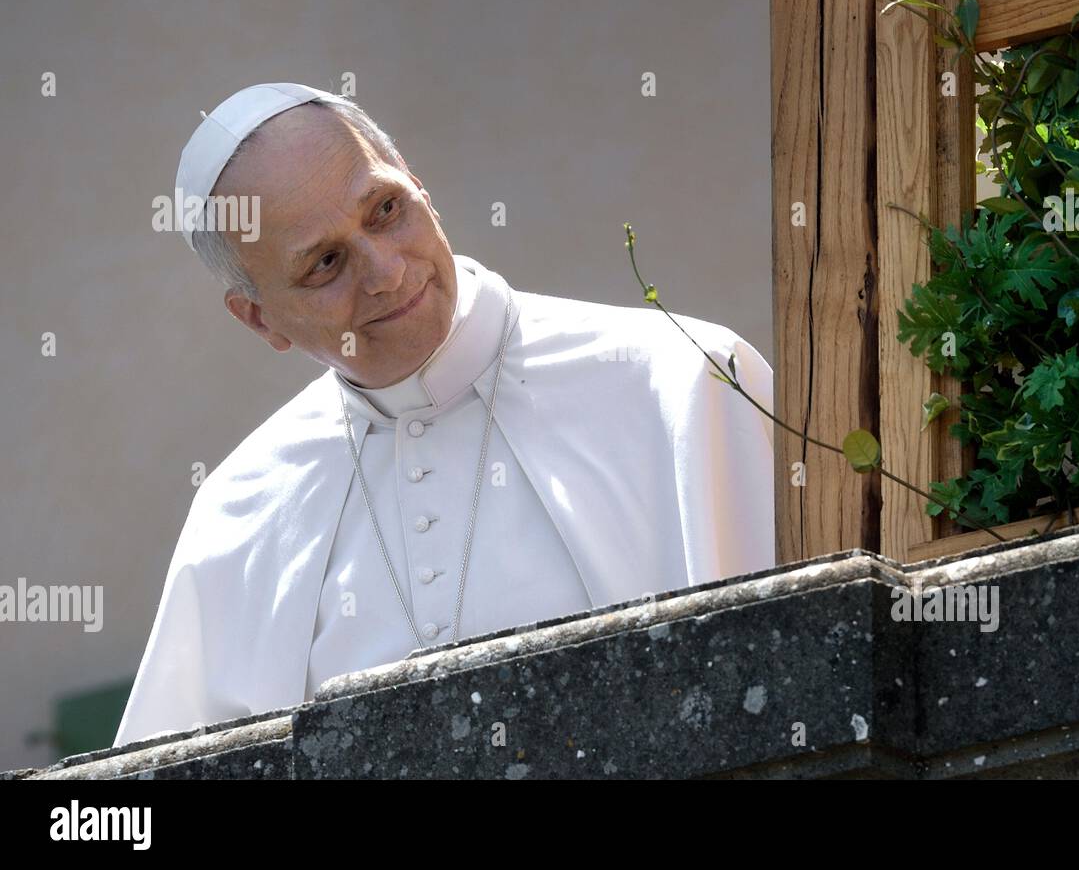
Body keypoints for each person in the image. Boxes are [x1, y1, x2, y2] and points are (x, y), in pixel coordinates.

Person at [113, 83, 775, 748]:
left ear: (419, 187)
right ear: (259, 318)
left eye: (385, 209)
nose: (386, 272)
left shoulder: (680, 383)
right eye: (325, 262)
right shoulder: (242, 510)